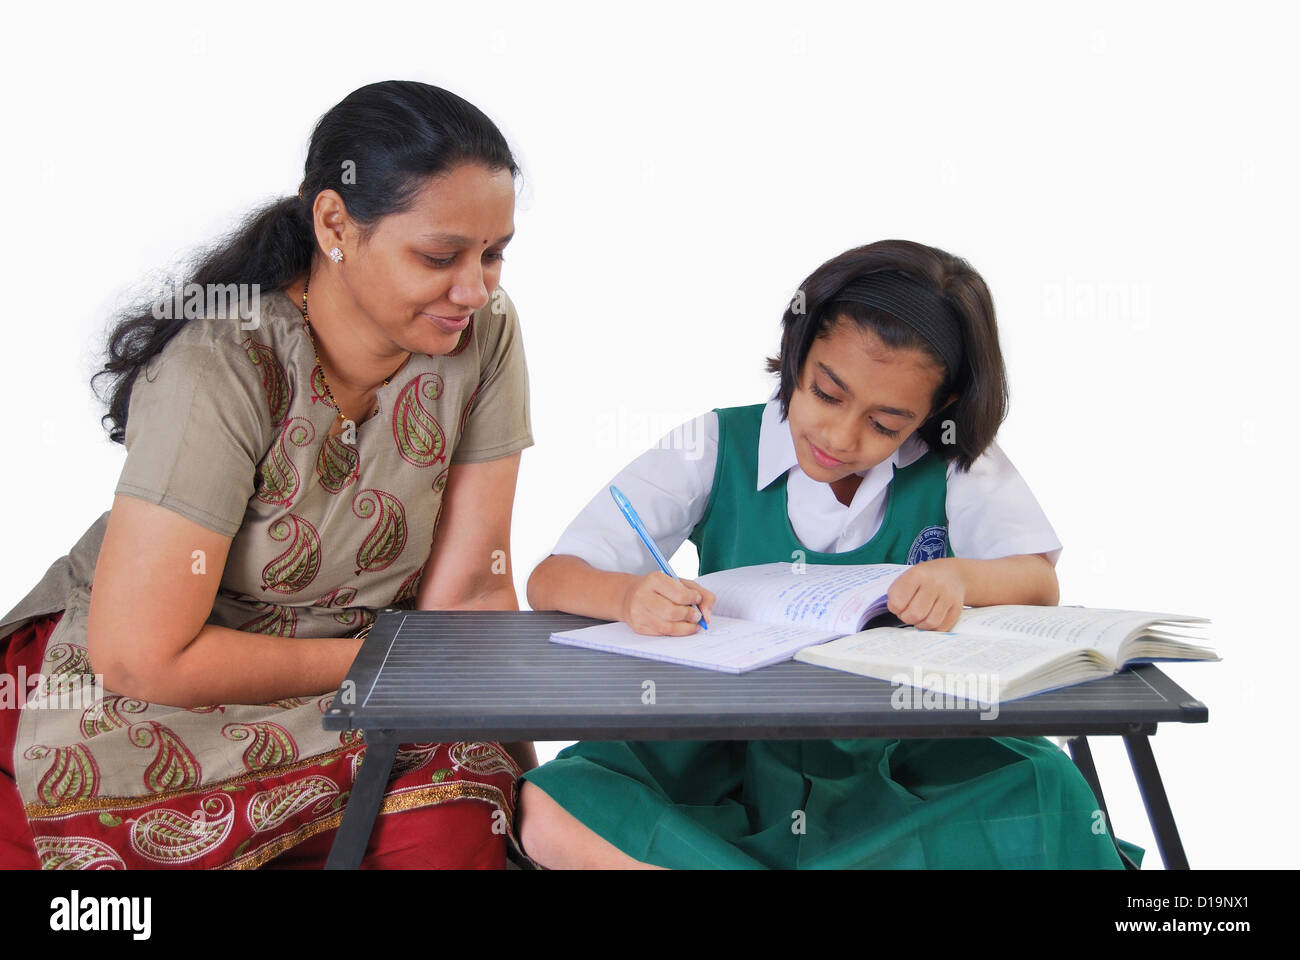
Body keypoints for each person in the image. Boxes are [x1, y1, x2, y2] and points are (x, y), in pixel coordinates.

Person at [0, 80, 537, 869]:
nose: (476, 287)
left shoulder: (481, 331)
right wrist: (400, 668)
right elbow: (143, 655)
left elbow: (475, 589)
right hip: (152, 689)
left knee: (467, 808)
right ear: (334, 224)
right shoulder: (217, 368)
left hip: (371, 676)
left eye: (494, 254)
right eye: (440, 256)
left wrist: (524, 766)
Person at [515, 238, 1145, 869]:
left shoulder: (955, 463)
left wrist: (960, 576)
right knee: (553, 807)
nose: (840, 438)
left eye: (886, 424)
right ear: (799, 349)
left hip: (898, 752)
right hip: (727, 749)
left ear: (939, 408)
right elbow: (552, 579)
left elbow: (1037, 581)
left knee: (1049, 789)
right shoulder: (713, 443)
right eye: (827, 393)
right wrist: (629, 596)